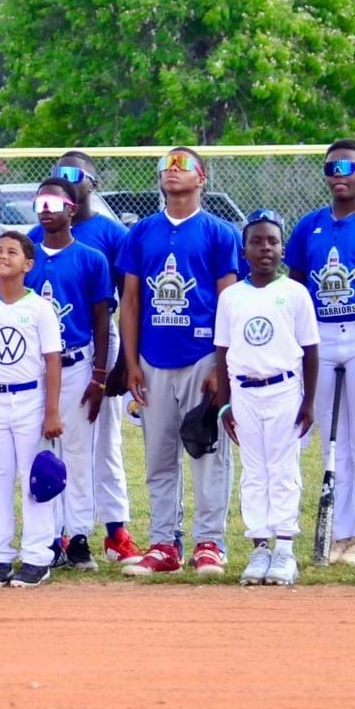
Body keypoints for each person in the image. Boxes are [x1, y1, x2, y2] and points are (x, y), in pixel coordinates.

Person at [119, 148, 240, 578]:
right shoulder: (142, 232)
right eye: (166, 165)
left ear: (201, 178)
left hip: (201, 356)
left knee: (207, 450)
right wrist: (131, 361)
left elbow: (229, 303)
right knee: (158, 457)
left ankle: (210, 542)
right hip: (153, 358)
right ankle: (163, 544)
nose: (172, 170)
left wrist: (222, 369)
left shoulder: (219, 232)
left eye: (182, 164)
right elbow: (130, 300)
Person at [284, 139, 355, 567]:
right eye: (331, 168)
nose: (338, 175)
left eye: (347, 167)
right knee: (331, 441)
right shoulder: (309, 225)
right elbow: (295, 288)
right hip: (319, 337)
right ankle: (339, 532)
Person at [37, 151, 142, 566]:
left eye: (74, 172)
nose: (65, 178)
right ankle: (57, 534)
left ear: (92, 184)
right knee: (53, 448)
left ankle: (115, 531)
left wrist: (118, 365)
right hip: (45, 352)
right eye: (57, 172)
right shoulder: (35, 236)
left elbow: (123, 303)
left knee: (102, 444)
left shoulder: (111, 234)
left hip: (98, 343)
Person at [213, 210, 319, 587]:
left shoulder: (295, 293)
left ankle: (285, 548)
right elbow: (222, 352)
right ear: (243, 252)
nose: (265, 248)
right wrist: (224, 403)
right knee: (254, 472)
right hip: (244, 392)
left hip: (284, 390)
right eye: (256, 242)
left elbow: (310, 351)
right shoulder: (231, 297)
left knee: (283, 470)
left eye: (273, 241)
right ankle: (259, 547)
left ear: (283, 250)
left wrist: (308, 401)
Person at [0, 232, 64, 588]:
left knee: (36, 478)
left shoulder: (39, 308)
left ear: (28, 264)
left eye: (12, 252)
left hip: (30, 400)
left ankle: (37, 556)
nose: (2, 256)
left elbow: (52, 361)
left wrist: (51, 411)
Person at [25, 178, 113, 572]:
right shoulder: (26, 256)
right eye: (40, 202)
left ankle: (78, 536)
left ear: (72, 209)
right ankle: (49, 536)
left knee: (77, 452)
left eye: (54, 202)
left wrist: (99, 374)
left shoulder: (91, 258)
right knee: (41, 453)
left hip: (76, 362)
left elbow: (101, 319)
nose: (46, 209)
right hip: (33, 368)